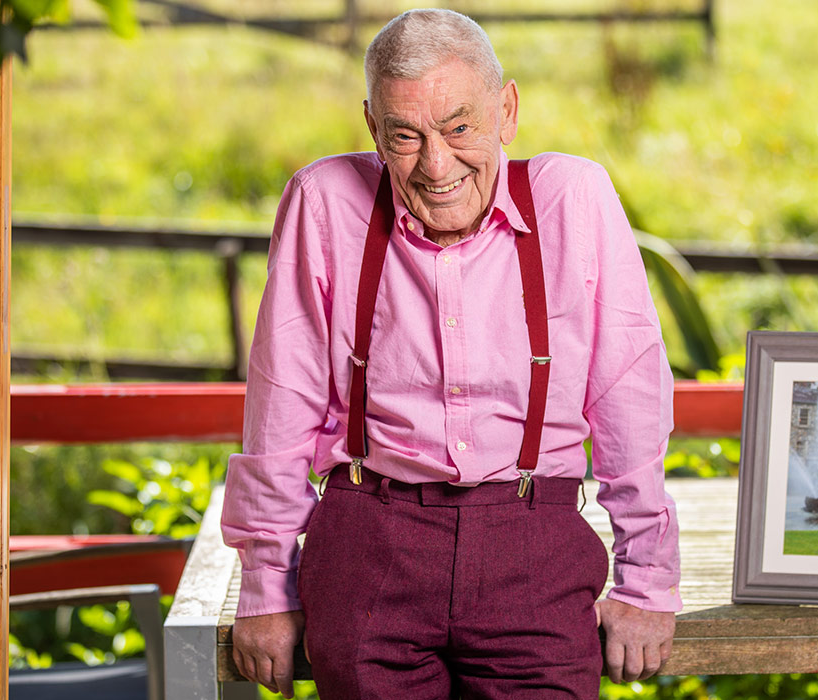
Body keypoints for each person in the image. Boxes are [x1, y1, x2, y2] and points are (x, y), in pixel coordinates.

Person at [219, 9, 681, 699]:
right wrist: (265, 585)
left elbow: (629, 400)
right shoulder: (324, 202)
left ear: (507, 109)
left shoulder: (574, 200)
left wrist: (647, 581)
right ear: (374, 128)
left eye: (459, 127)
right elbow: (280, 402)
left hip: (535, 543)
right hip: (368, 544)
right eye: (405, 136)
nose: (436, 166)